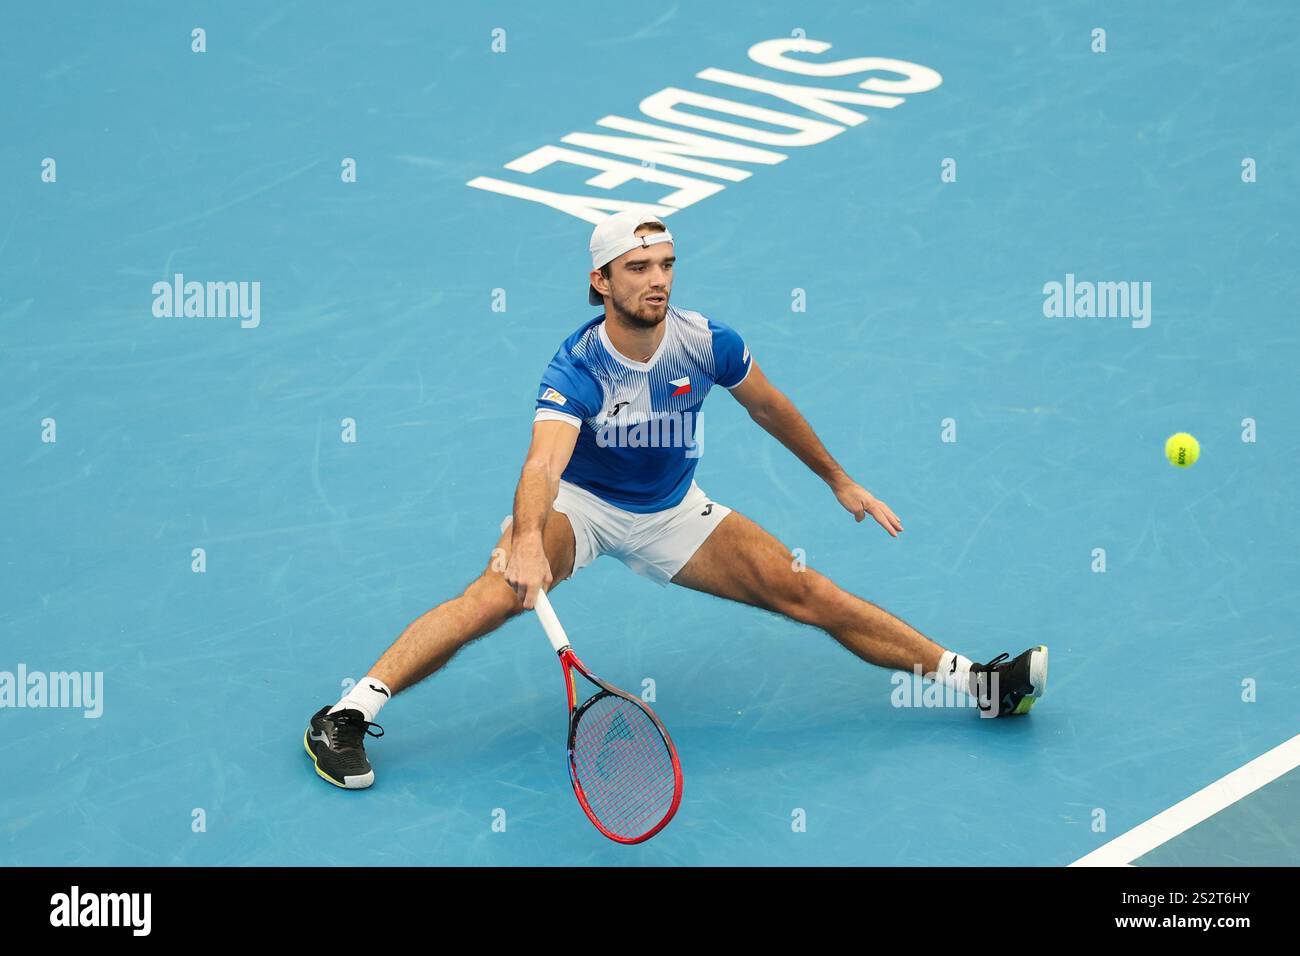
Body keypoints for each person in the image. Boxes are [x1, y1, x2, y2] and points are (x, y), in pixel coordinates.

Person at [304, 209, 1048, 789]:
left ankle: (977, 683)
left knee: (803, 588)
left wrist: (837, 478)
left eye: (665, 264)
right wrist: (529, 536)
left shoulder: (704, 341)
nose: (657, 280)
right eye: (637, 268)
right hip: (583, 506)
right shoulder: (579, 366)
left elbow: (770, 407)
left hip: (671, 511)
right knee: (493, 599)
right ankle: (346, 714)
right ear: (601, 281)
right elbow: (543, 461)